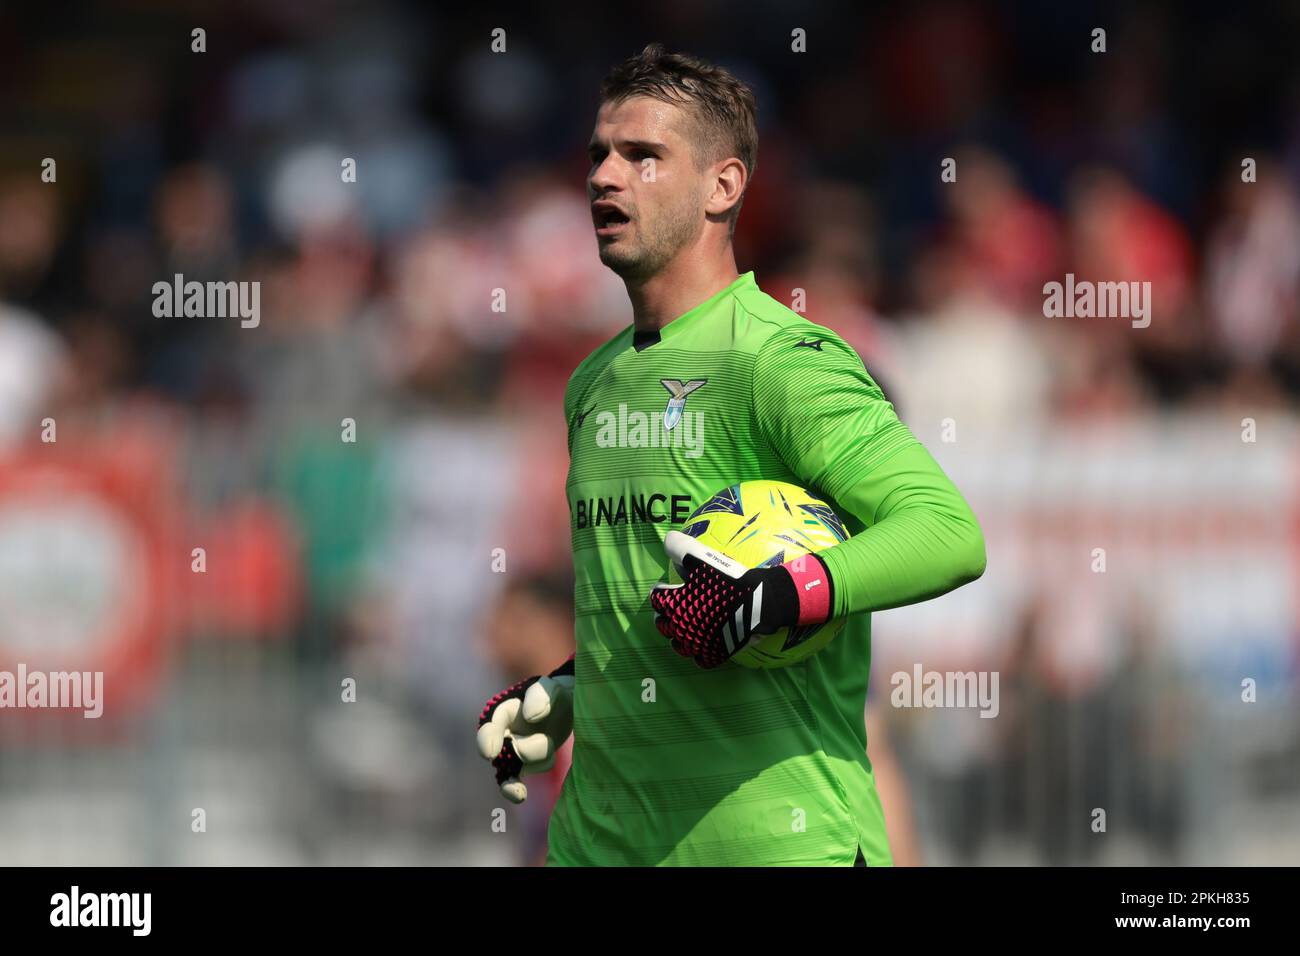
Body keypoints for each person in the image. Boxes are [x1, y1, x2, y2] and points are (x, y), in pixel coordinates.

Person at [477, 44, 985, 866]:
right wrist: (567, 692)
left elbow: (948, 533)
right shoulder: (593, 385)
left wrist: (783, 592)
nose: (606, 177)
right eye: (599, 154)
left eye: (644, 156)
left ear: (724, 186)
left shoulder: (782, 361)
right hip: (601, 846)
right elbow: (659, 606)